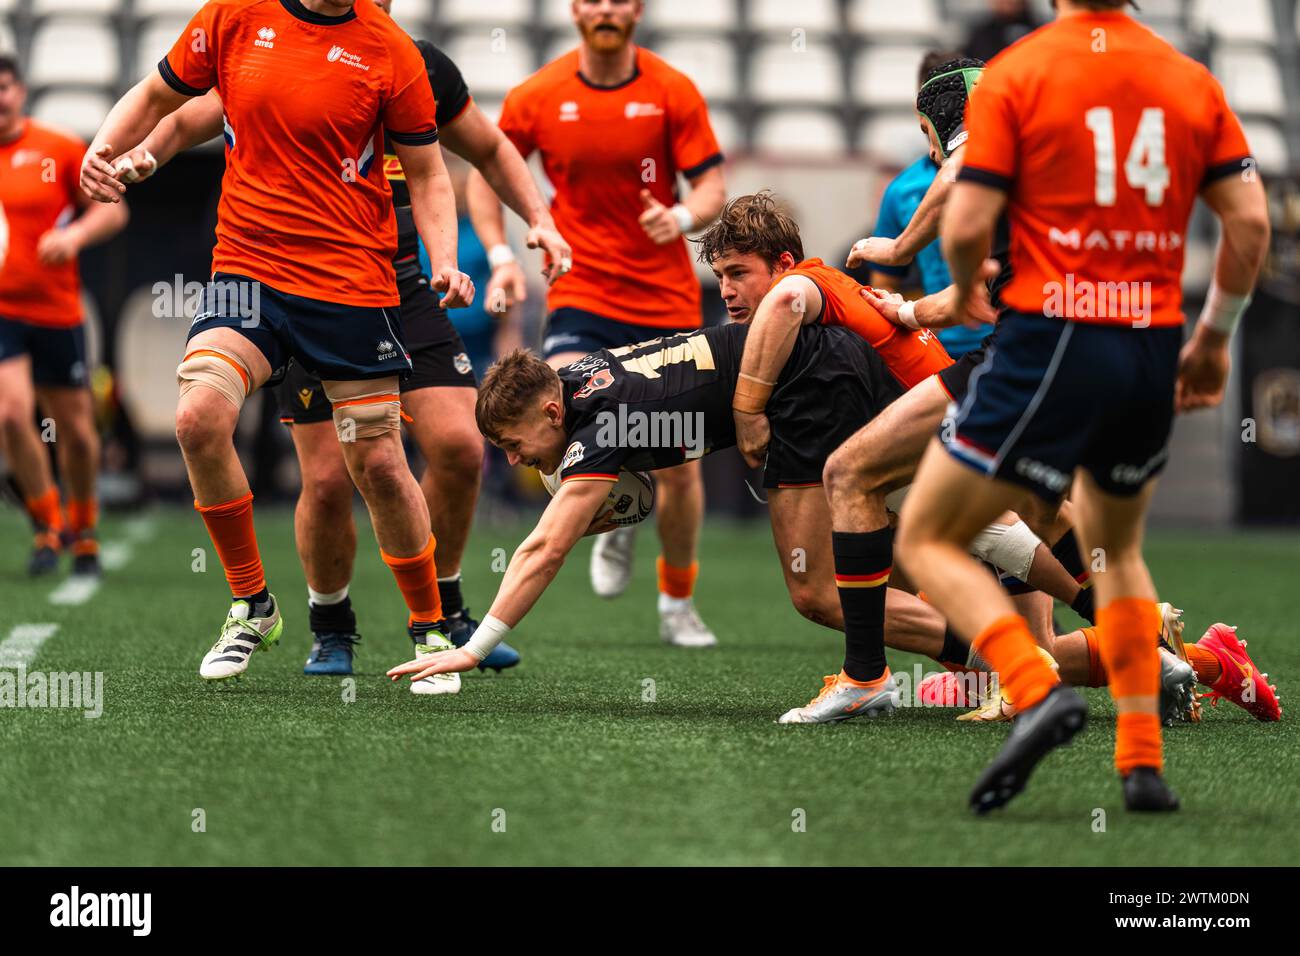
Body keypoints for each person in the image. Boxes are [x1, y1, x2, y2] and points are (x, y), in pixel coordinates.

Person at [111, 0, 571, 683]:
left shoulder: (408, 62)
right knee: (326, 478)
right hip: (288, 278)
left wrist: (534, 224)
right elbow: (188, 111)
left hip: (397, 280)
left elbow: (482, 152)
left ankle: (441, 613)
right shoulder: (268, 44)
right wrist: (138, 152)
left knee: (452, 448)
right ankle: (328, 624)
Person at [894, 0, 1270, 813]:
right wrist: (1213, 341)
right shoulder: (1190, 78)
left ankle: (1034, 685)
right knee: (1115, 550)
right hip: (1151, 344)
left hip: (1053, 337)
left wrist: (959, 290)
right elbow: (1248, 222)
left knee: (927, 533)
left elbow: (966, 218)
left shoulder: (1019, 71)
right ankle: (1140, 765)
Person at [466, 0, 727, 648]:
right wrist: (502, 254)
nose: (606, 8)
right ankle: (611, 514)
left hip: (664, 298)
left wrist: (683, 217)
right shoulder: (537, 95)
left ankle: (677, 599)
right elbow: (485, 173)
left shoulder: (672, 89)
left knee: (682, 465)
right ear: (576, 9)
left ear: (636, 10)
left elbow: (712, 188)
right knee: (553, 403)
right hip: (580, 289)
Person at [0, 53, 128, 577]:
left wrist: (73, 235)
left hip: (57, 310)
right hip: (3, 312)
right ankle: (48, 523)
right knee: (11, 414)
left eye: (4, 87)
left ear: (21, 91)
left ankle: (85, 529)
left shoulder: (57, 148)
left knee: (73, 429)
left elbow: (113, 208)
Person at [858, 50, 984, 359]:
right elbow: (883, 288)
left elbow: (956, 172)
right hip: (943, 339)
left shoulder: (992, 175)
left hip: (1005, 333)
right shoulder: (901, 190)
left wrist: (898, 249)